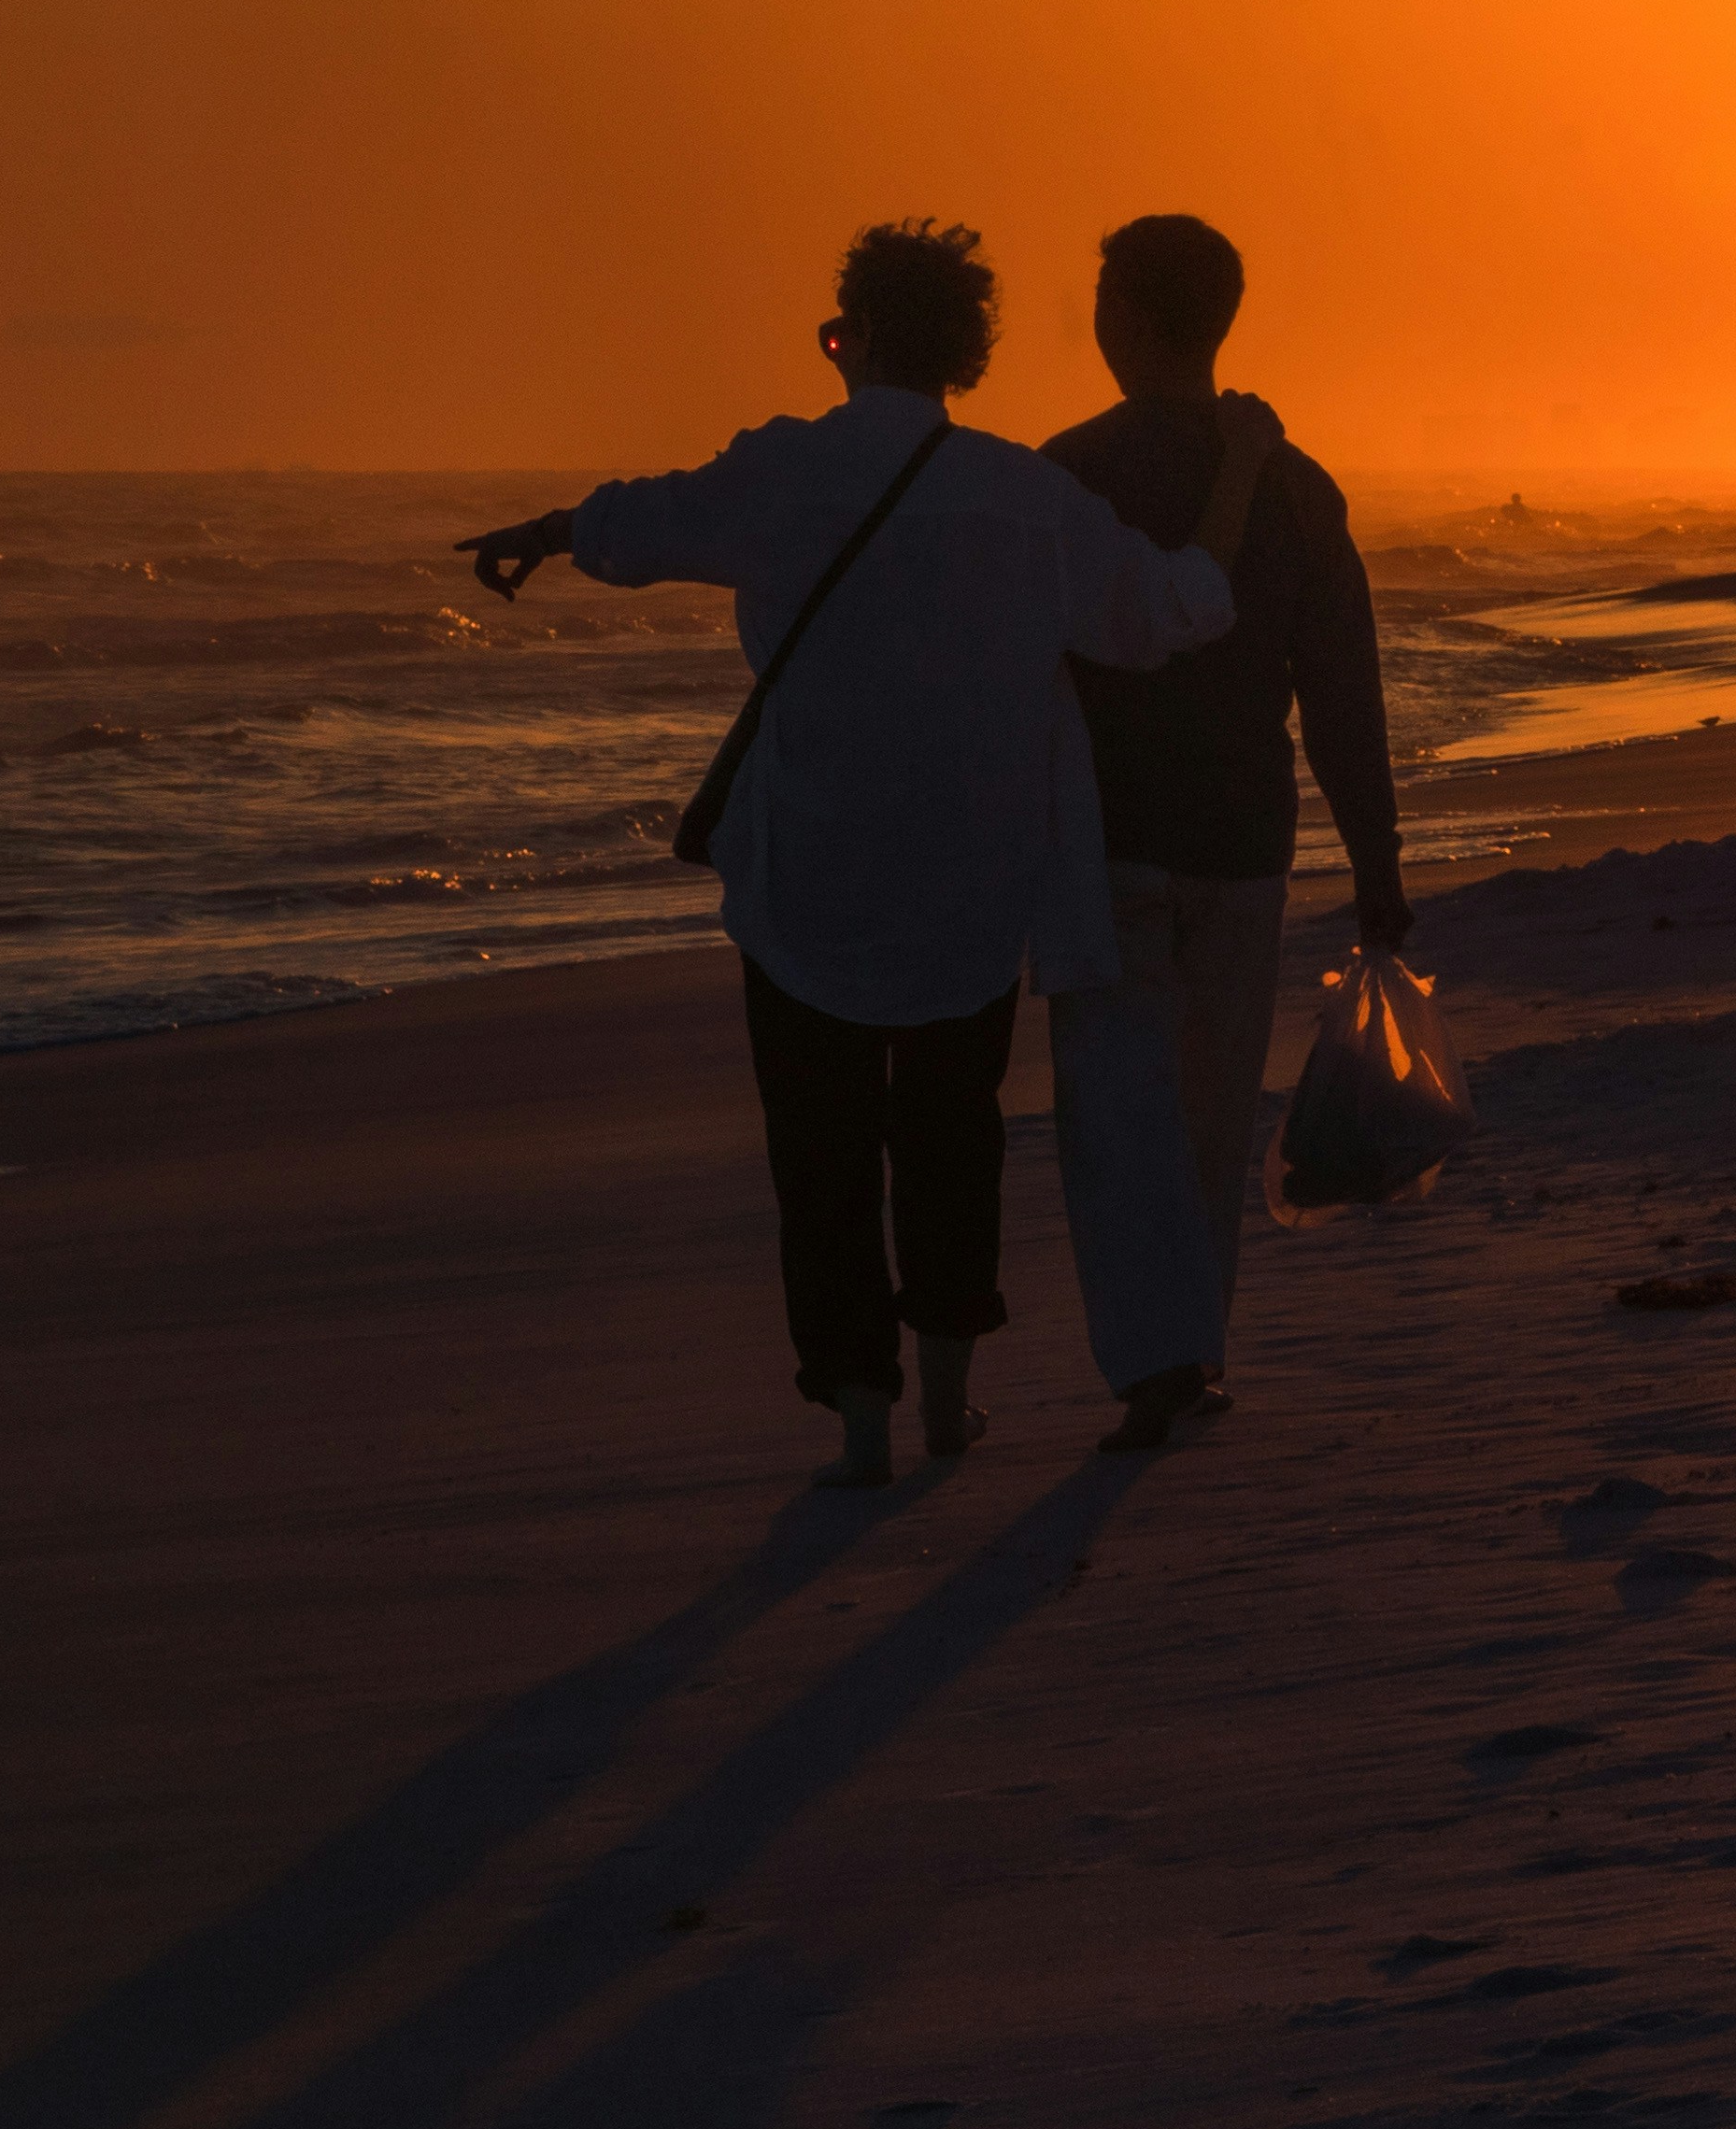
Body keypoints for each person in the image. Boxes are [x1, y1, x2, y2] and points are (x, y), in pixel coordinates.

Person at [459, 218, 1262, 1484]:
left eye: (835, 334)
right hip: (968, 894)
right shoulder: (1025, 499)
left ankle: (859, 1416)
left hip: (806, 885)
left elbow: (640, 529)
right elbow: (1173, 610)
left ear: (861, 338)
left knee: (818, 1155)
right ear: (962, 352)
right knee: (949, 1140)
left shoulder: (782, 472)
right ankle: (948, 1403)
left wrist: (546, 532)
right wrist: (1240, 476)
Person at [1041, 215, 1411, 1445]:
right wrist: (1376, 859)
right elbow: (1339, 690)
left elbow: (1020, 676)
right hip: (1246, 843)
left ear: (1129, 319)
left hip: (1109, 845)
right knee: (1207, 1113)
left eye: (1100, 298)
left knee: (1113, 1116)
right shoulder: (1298, 491)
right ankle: (1192, 1350)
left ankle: (1154, 1357)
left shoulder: (1068, 476)